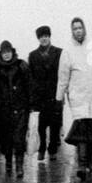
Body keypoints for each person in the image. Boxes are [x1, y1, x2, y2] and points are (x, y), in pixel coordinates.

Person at [56, 17, 92, 181]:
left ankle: (90, 160)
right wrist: (60, 96)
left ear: (84, 29)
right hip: (78, 96)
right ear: (72, 31)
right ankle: (82, 163)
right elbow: (63, 75)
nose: (78, 31)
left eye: (80, 28)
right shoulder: (67, 51)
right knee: (82, 129)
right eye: (75, 28)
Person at [0, 41, 32, 177]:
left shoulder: (21, 66)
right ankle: (8, 164)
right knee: (6, 138)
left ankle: (19, 166)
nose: (7, 54)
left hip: (20, 108)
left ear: (12, 52)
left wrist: (31, 105)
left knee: (19, 138)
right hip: (3, 110)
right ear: (1, 54)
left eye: (8, 52)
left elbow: (29, 86)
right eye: (4, 52)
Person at [28, 26, 63, 161]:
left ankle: (52, 148)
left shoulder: (59, 53)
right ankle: (42, 147)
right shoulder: (33, 55)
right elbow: (31, 77)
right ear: (38, 38)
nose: (44, 38)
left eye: (46, 36)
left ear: (50, 37)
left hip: (55, 94)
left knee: (55, 124)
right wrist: (33, 97)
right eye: (41, 36)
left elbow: (63, 73)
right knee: (41, 125)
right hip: (40, 96)